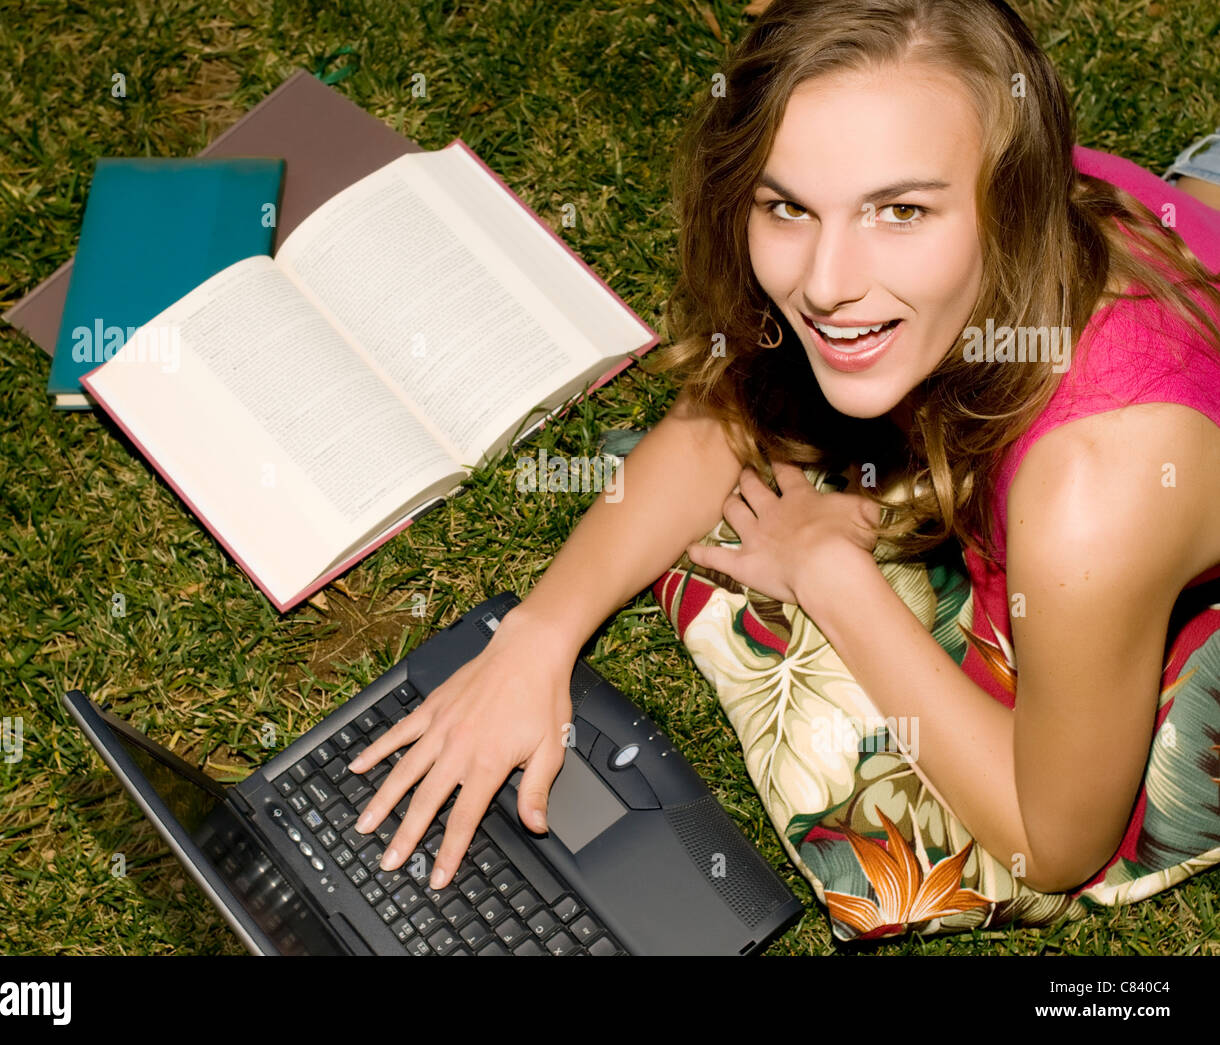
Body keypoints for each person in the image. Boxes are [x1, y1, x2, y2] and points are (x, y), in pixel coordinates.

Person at [347, 0, 1220, 938]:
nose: (825, 280)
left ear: (1018, 201)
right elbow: (718, 417)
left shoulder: (1095, 490)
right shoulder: (973, 223)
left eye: (901, 210)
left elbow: (1055, 839)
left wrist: (832, 576)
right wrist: (536, 635)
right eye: (787, 206)